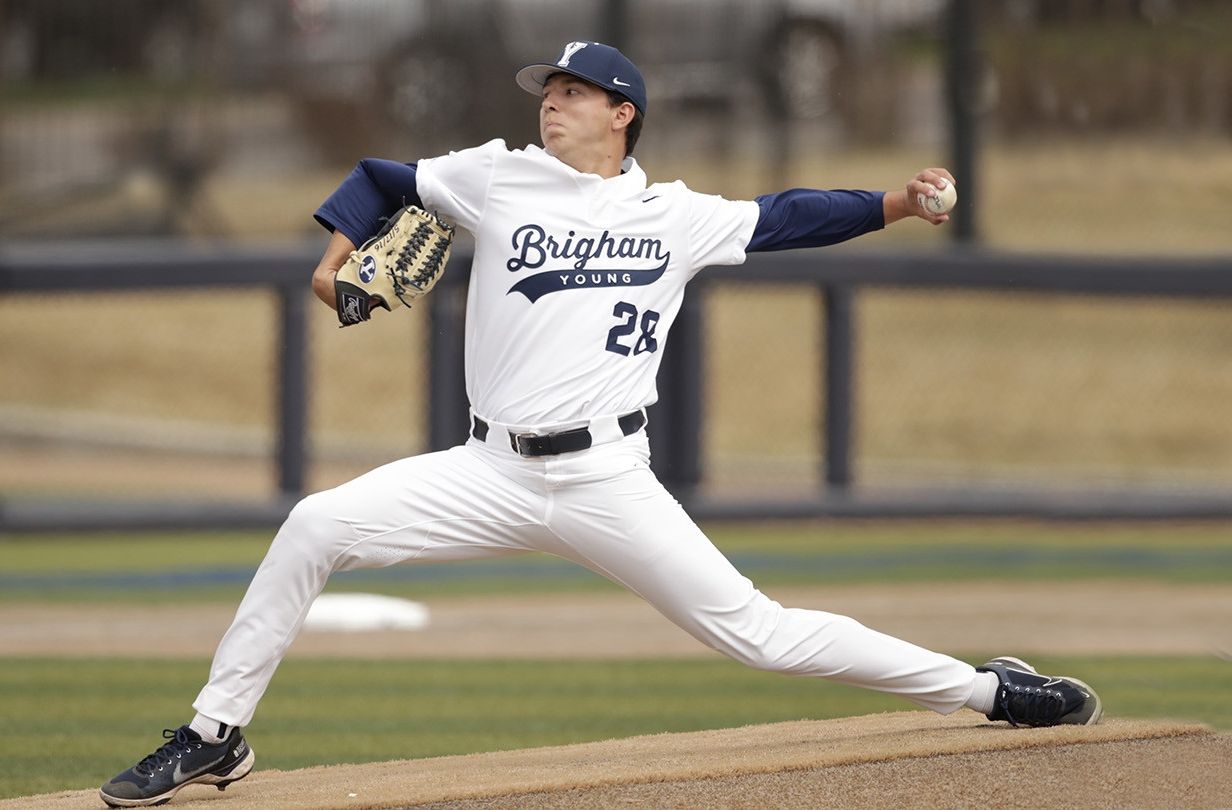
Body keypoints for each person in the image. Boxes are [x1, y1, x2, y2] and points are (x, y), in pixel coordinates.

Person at [99, 40, 1102, 808]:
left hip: (608, 479)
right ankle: (215, 735)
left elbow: (793, 214)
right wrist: (333, 256)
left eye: (573, 92)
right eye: (549, 88)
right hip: (485, 472)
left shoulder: (672, 214)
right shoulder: (497, 176)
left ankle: (985, 689)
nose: (552, 101)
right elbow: (379, 179)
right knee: (315, 525)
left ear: (623, 114)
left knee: (760, 636)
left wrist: (898, 201)